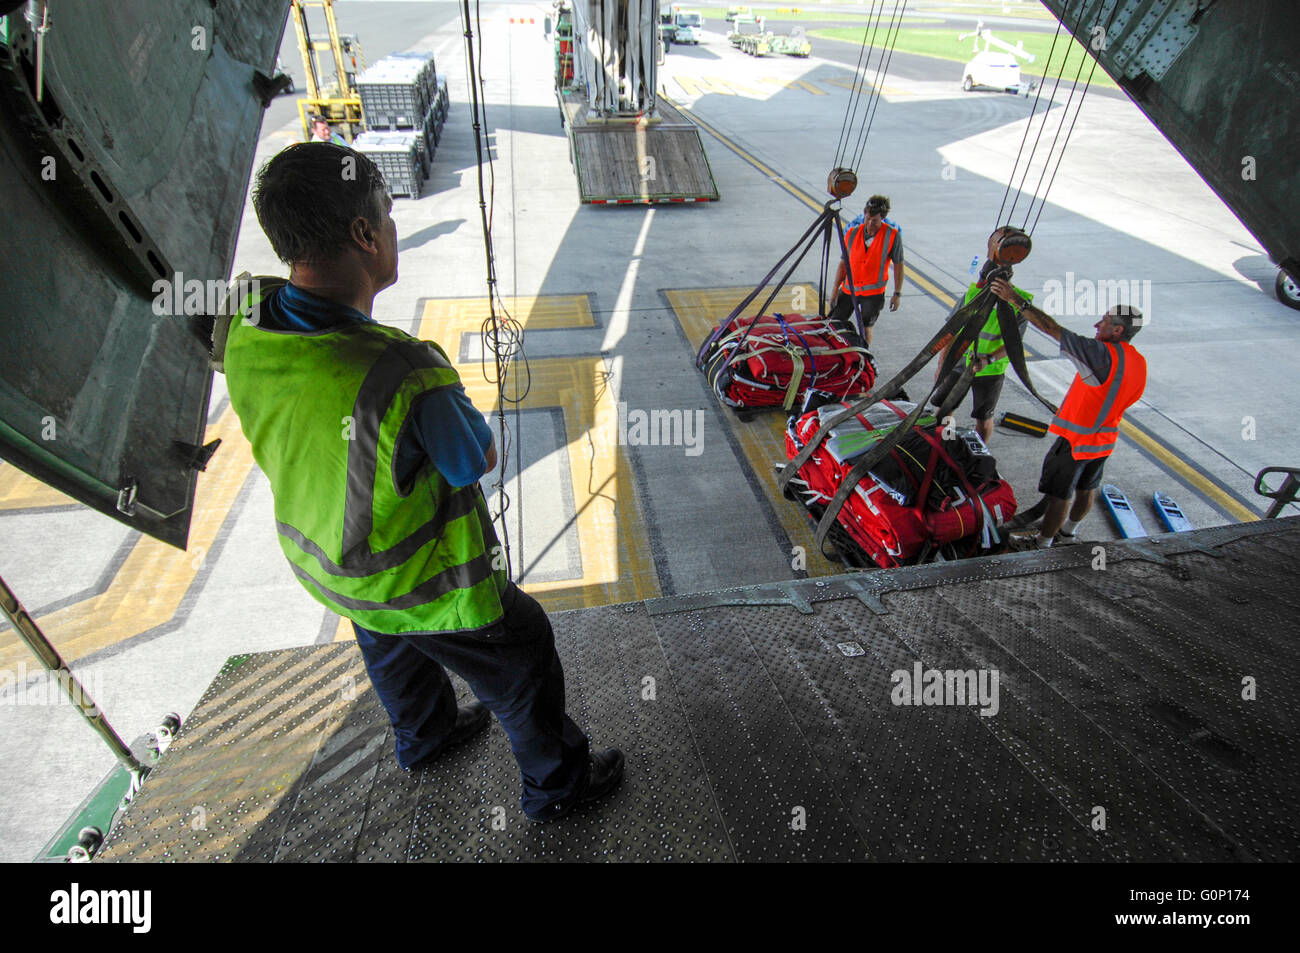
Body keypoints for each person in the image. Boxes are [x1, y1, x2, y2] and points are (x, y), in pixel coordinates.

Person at [212, 143, 623, 822]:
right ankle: (558, 787)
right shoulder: (403, 371)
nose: (393, 229)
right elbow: (474, 458)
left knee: (389, 645)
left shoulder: (247, 320)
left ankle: (426, 736)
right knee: (523, 656)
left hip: (331, 564)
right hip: (418, 582)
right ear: (364, 235)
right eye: (387, 215)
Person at [988, 277, 1147, 549]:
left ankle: (1042, 543)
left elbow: (1051, 328)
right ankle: (1068, 533)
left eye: (1105, 321)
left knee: (1058, 495)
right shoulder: (1137, 361)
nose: (1097, 325)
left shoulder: (1100, 353)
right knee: (1087, 488)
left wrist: (1015, 298)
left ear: (1118, 330)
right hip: (1103, 442)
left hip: (1075, 441)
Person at [931, 226, 1033, 445]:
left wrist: (988, 360)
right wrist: (942, 364)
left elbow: (1013, 345)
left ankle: (980, 454)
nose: (982, 282)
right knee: (944, 410)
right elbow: (951, 331)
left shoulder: (1018, 303)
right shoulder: (973, 294)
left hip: (990, 370)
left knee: (983, 417)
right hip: (960, 361)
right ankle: (944, 446)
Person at [828, 194, 904, 349]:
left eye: (874, 220)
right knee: (834, 323)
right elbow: (843, 264)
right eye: (867, 218)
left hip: (873, 293)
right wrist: (835, 290)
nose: (870, 223)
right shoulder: (852, 233)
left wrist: (897, 294)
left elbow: (898, 266)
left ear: (882, 218)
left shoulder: (892, 236)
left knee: (866, 326)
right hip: (850, 290)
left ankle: (864, 355)